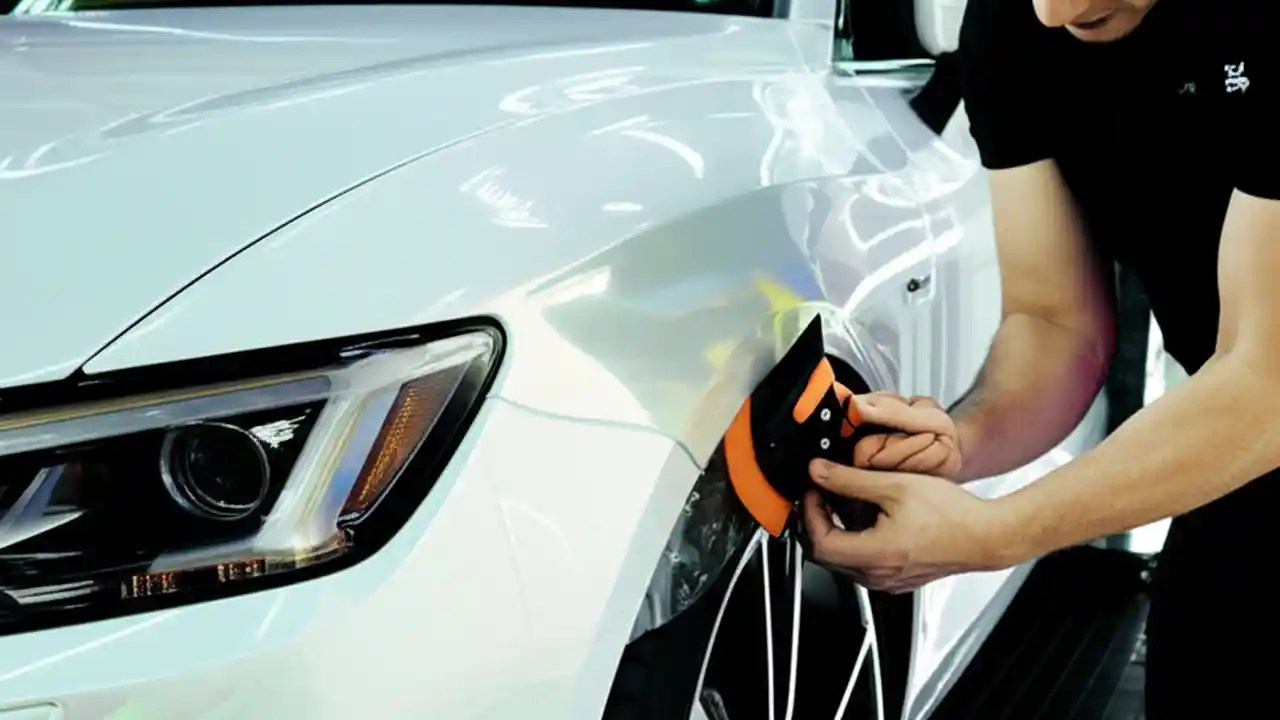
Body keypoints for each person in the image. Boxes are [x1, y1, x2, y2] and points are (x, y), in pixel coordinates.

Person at [802, 0, 1280, 714]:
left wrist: (997, 533)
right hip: (1238, 459)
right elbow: (1056, 322)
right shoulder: (1013, 24)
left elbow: (1266, 384)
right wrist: (960, 443)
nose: (1056, 11)